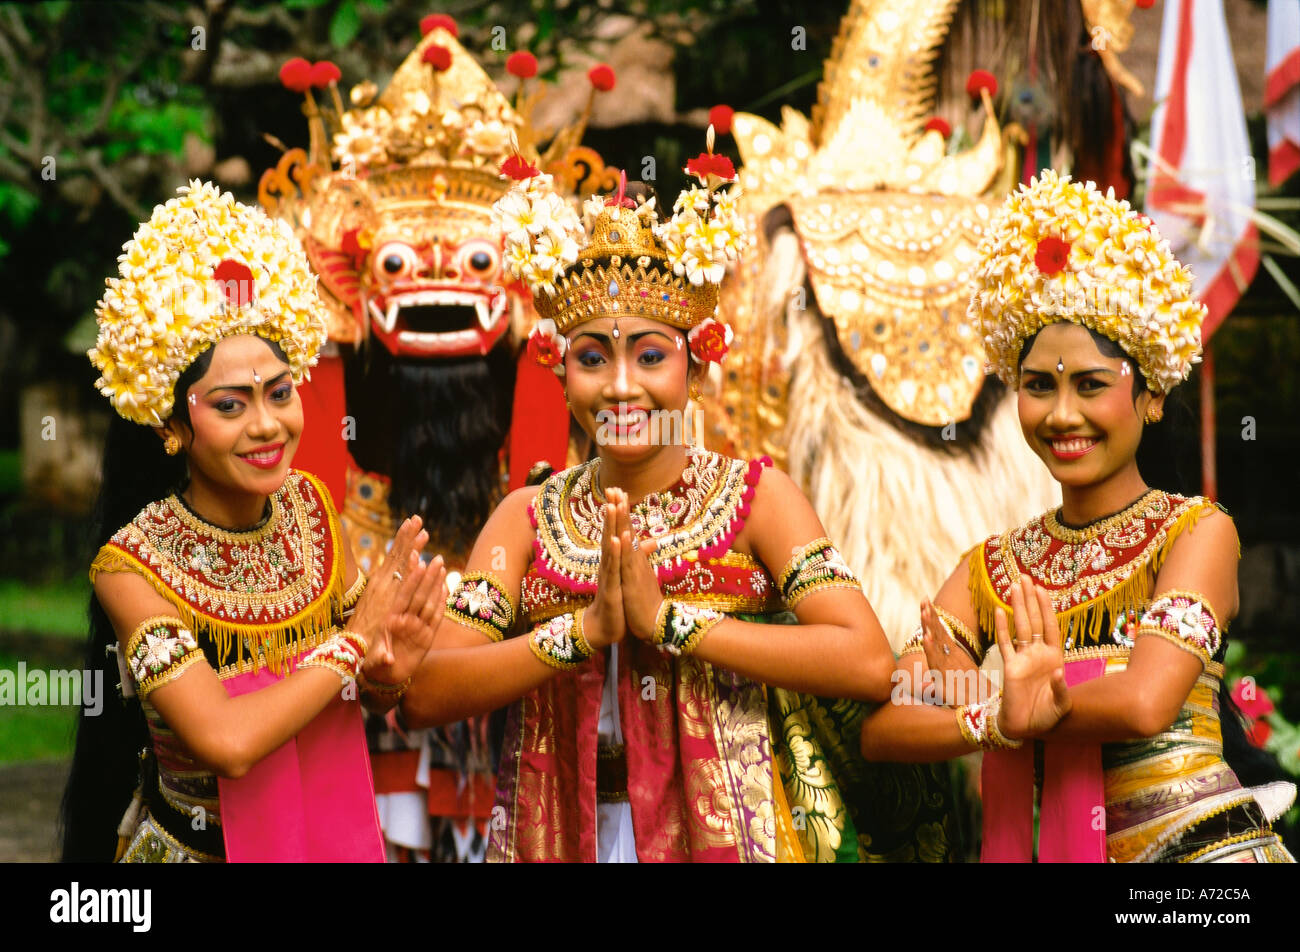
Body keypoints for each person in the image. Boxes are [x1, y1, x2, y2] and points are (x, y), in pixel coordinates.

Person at [384, 154, 898, 862]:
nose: (621, 387)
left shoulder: (757, 500)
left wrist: (670, 623)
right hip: (564, 833)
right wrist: (583, 632)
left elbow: (867, 660)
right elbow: (426, 693)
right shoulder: (527, 517)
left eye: (650, 357)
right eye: (593, 359)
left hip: (727, 836)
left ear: (696, 365)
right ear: (561, 370)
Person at [861, 170, 1294, 863]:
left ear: (1151, 396)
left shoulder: (1195, 532)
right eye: (1039, 386)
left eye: (1091, 385)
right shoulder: (991, 569)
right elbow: (887, 727)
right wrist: (999, 717)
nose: (1062, 415)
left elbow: (1146, 702)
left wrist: (1007, 703)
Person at [59, 181, 446, 863]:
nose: (267, 425)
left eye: (279, 393)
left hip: (317, 839)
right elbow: (227, 742)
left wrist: (389, 671)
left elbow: (359, 689)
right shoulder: (131, 566)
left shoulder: (311, 512)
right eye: (230, 405)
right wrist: (353, 645)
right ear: (172, 426)